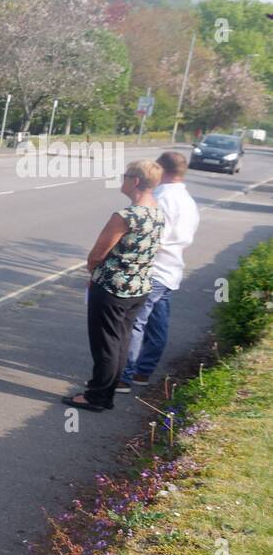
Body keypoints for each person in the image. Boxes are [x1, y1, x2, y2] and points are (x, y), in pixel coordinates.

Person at [64, 158, 164, 412]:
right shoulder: (158, 214)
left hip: (112, 287)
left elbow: (97, 254)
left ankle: (97, 396)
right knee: (121, 341)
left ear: (136, 181)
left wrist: (93, 272)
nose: (122, 180)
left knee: (105, 343)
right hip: (139, 286)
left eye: (125, 176)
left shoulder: (125, 216)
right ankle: (106, 392)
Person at [118, 150, 199, 390]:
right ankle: (143, 372)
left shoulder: (161, 198)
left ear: (161, 170)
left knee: (135, 323)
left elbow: (152, 236)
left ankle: (124, 376)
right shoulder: (188, 201)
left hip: (152, 269)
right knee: (157, 325)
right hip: (172, 270)